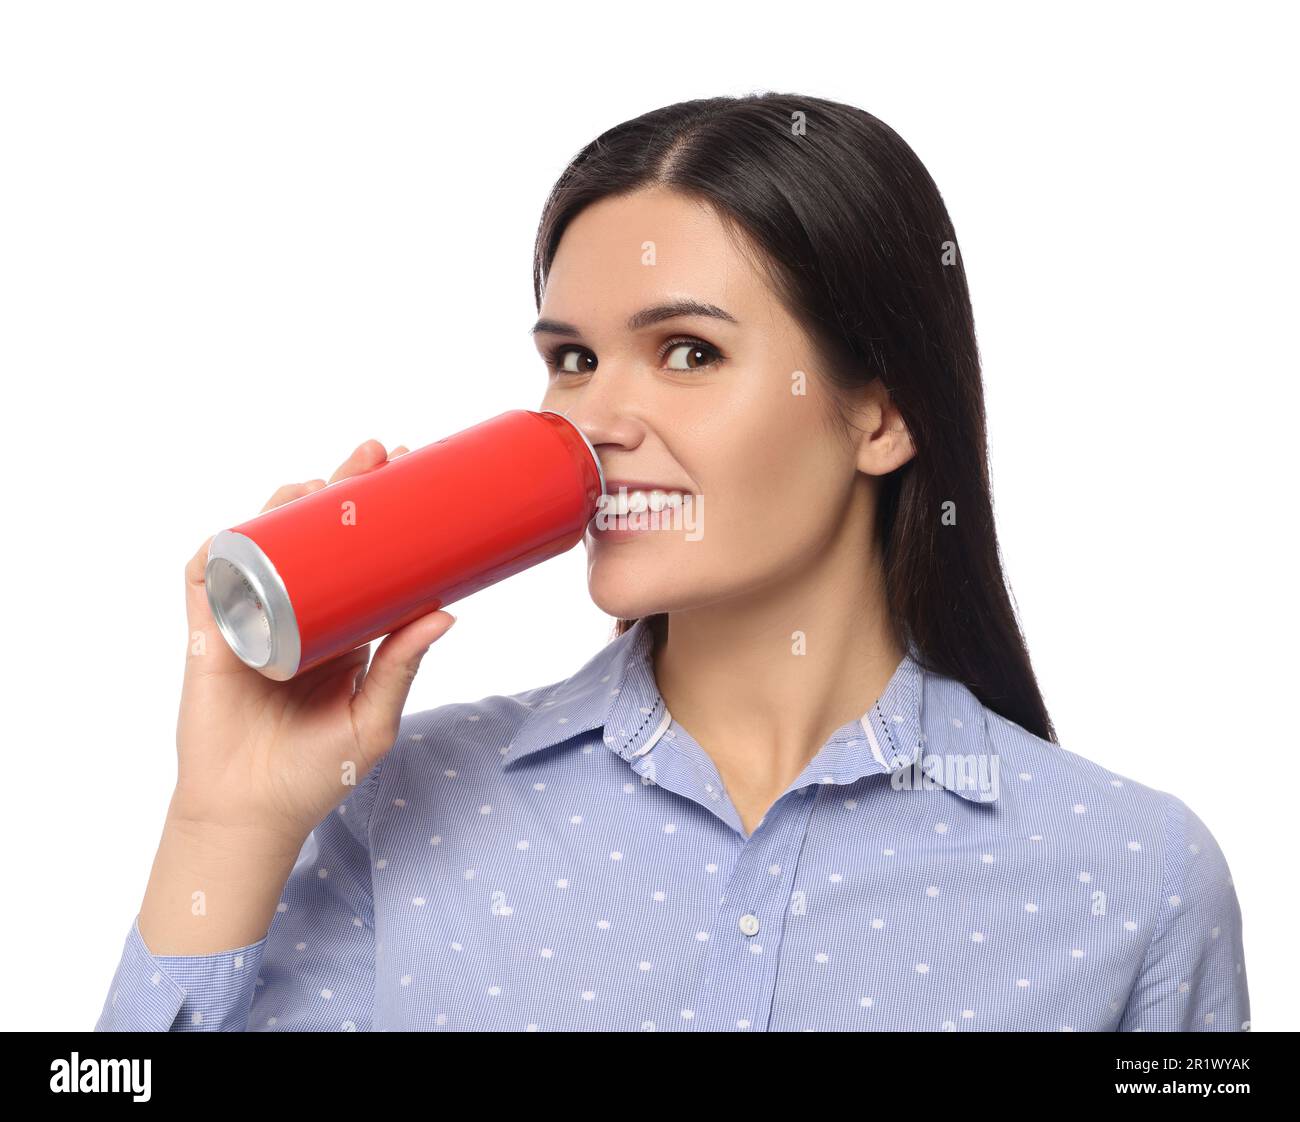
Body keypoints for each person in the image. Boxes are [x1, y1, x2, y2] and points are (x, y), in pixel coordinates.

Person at [96, 92, 1249, 1032]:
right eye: (575, 357)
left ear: (880, 417)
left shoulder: (1132, 878)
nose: (594, 419)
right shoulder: (403, 803)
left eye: (687, 352)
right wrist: (224, 825)